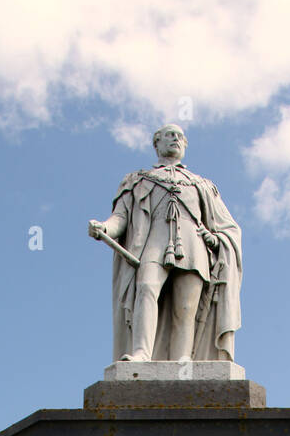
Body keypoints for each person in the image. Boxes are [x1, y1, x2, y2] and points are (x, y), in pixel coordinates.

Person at [88, 124, 242, 362]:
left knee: (186, 307)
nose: (175, 139)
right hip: (152, 245)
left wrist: (215, 239)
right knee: (146, 288)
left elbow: (227, 226)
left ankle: (183, 358)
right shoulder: (137, 180)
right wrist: (104, 227)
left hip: (193, 246)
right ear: (156, 143)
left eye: (180, 137)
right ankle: (142, 353)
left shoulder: (201, 184)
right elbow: (121, 218)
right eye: (169, 135)